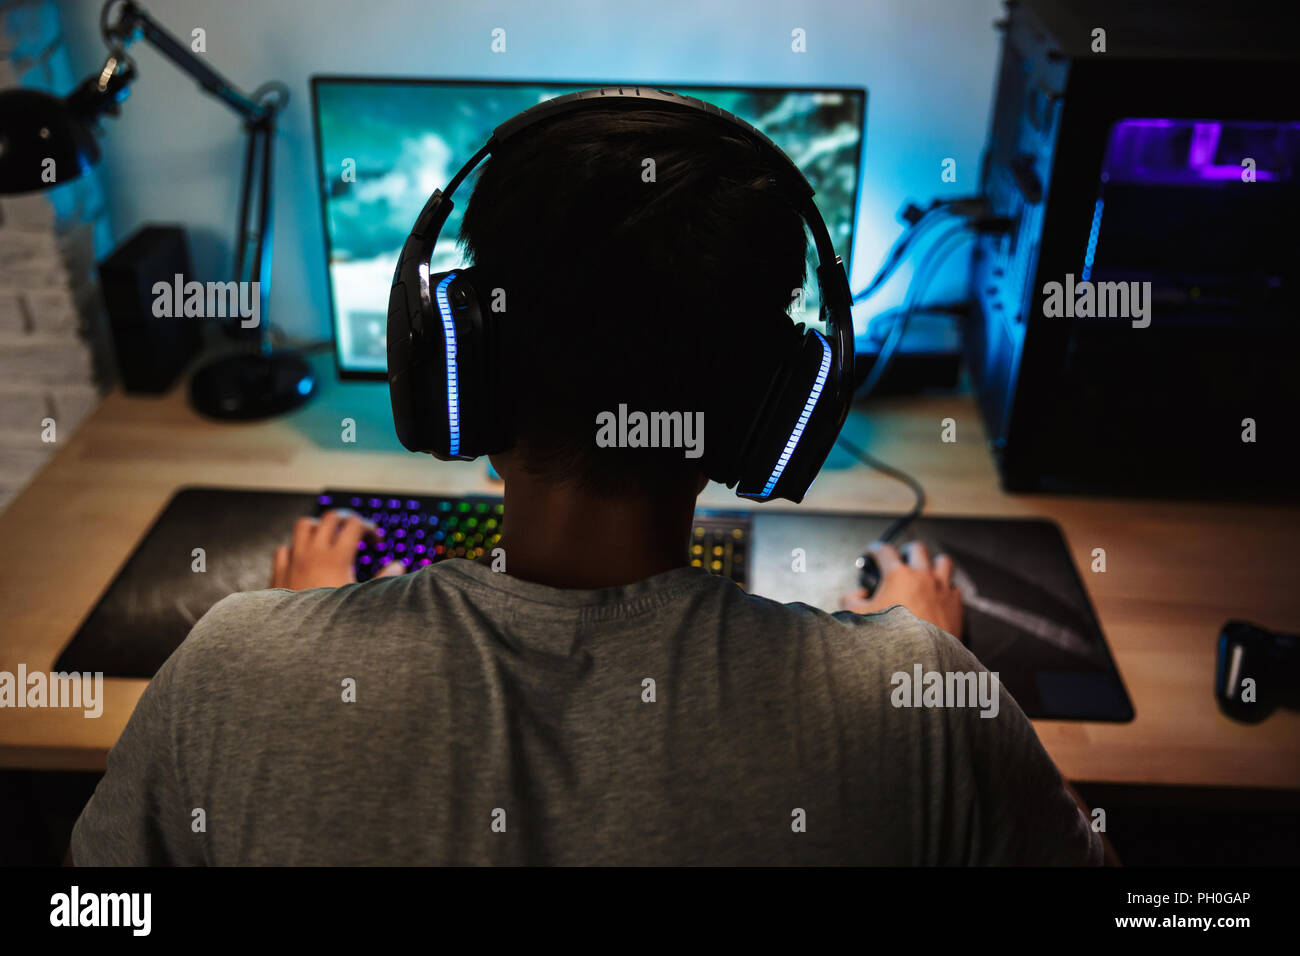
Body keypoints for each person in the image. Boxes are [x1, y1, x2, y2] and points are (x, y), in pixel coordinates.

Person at [72, 108, 1107, 865]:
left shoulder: (232, 670)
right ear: (774, 409)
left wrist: (293, 649)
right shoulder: (915, 701)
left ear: (455, 375)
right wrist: (957, 678)